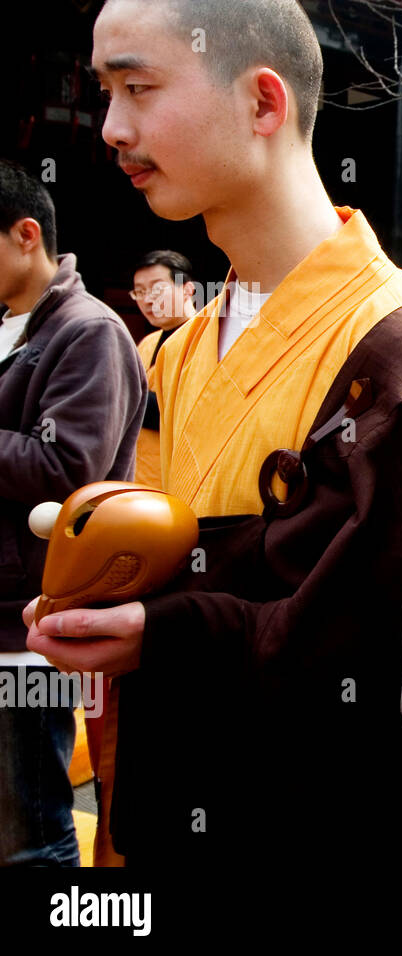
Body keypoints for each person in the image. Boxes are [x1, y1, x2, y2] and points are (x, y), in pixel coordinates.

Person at [25, 0, 402, 867]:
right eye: (105, 92)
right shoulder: (177, 353)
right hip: (170, 809)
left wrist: (160, 631)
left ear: (264, 104)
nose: (112, 129)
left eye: (137, 87)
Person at [0, 159, 145, 865]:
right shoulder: (12, 327)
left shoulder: (89, 332)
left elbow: (66, 473)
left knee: (31, 828)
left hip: (30, 616)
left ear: (26, 235)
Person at [129, 249, 197, 488]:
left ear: (187, 289)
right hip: (137, 478)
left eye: (157, 289)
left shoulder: (207, 339)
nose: (147, 299)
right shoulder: (146, 343)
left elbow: (189, 414)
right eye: (139, 291)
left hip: (180, 482)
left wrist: (119, 395)